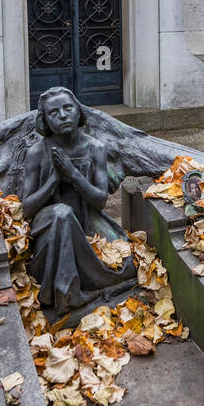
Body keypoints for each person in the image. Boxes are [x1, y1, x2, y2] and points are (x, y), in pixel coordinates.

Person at [21, 87, 136, 317]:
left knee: (129, 265)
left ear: (79, 112)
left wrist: (73, 174)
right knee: (61, 213)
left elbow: (100, 201)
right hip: (48, 225)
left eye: (68, 108)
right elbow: (26, 209)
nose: (62, 115)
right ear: (44, 120)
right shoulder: (36, 153)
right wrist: (52, 181)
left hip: (88, 219)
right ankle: (68, 294)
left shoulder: (95, 148)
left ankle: (78, 284)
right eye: (54, 112)